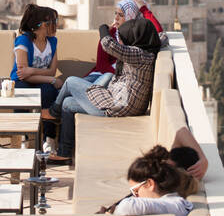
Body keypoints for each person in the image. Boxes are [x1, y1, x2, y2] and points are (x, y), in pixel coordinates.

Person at [48, 14, 160, 163]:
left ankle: (52, 113)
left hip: (117, 108)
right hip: (121, 103)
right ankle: (64, 153)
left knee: (70, 82)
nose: (121, 41)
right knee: (68, 103)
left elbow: (108, 44)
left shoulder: (139, 55)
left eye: (124, 38)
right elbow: (162, 35)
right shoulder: (148, 51)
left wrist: (104, 28)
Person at [111, 146, 194, 216]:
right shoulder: (173, 205)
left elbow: (126, 207)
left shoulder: (176, 205)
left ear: (150, 184)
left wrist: (113, 213)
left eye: (135, 191)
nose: (135, 197)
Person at [10, 4, 62, 109]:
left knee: (49, 92)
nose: (57, 25)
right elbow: (23, 75)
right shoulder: (23, 41)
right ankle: (23, 124)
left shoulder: (52, 42)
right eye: (54, 22)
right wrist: (52, 80)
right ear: (43, 24)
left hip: (41, 80)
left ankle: (46, 124)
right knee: (22, 92)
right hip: (23, 81)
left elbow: (52, 71)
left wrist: (31, 70)